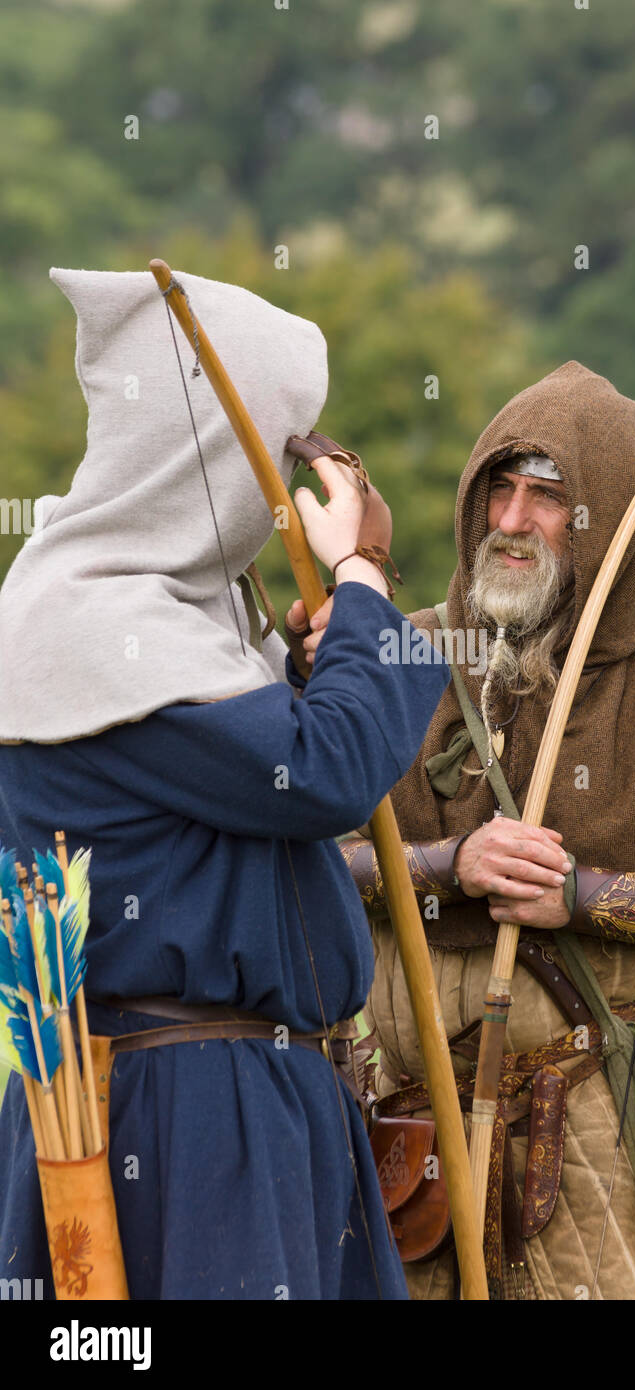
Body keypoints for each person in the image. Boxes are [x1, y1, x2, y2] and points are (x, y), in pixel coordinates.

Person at [0, 266, 449, 1300]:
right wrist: (364, 582)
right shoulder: (93, 621)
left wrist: (310, 664)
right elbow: (324, 770)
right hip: (187, 1115)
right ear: (205, 448)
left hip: (237, 1096)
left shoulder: (167, 617)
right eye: (276, 448)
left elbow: (250, 787)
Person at [320, 360, 635, 1300]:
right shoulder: (394, 660)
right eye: (497, 490)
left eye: (547, 497)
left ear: (612, 516)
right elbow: (286, 861)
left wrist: (577, 896)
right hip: (402, 1139)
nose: (509, 522)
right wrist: (444, 866)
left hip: (604, 1133)